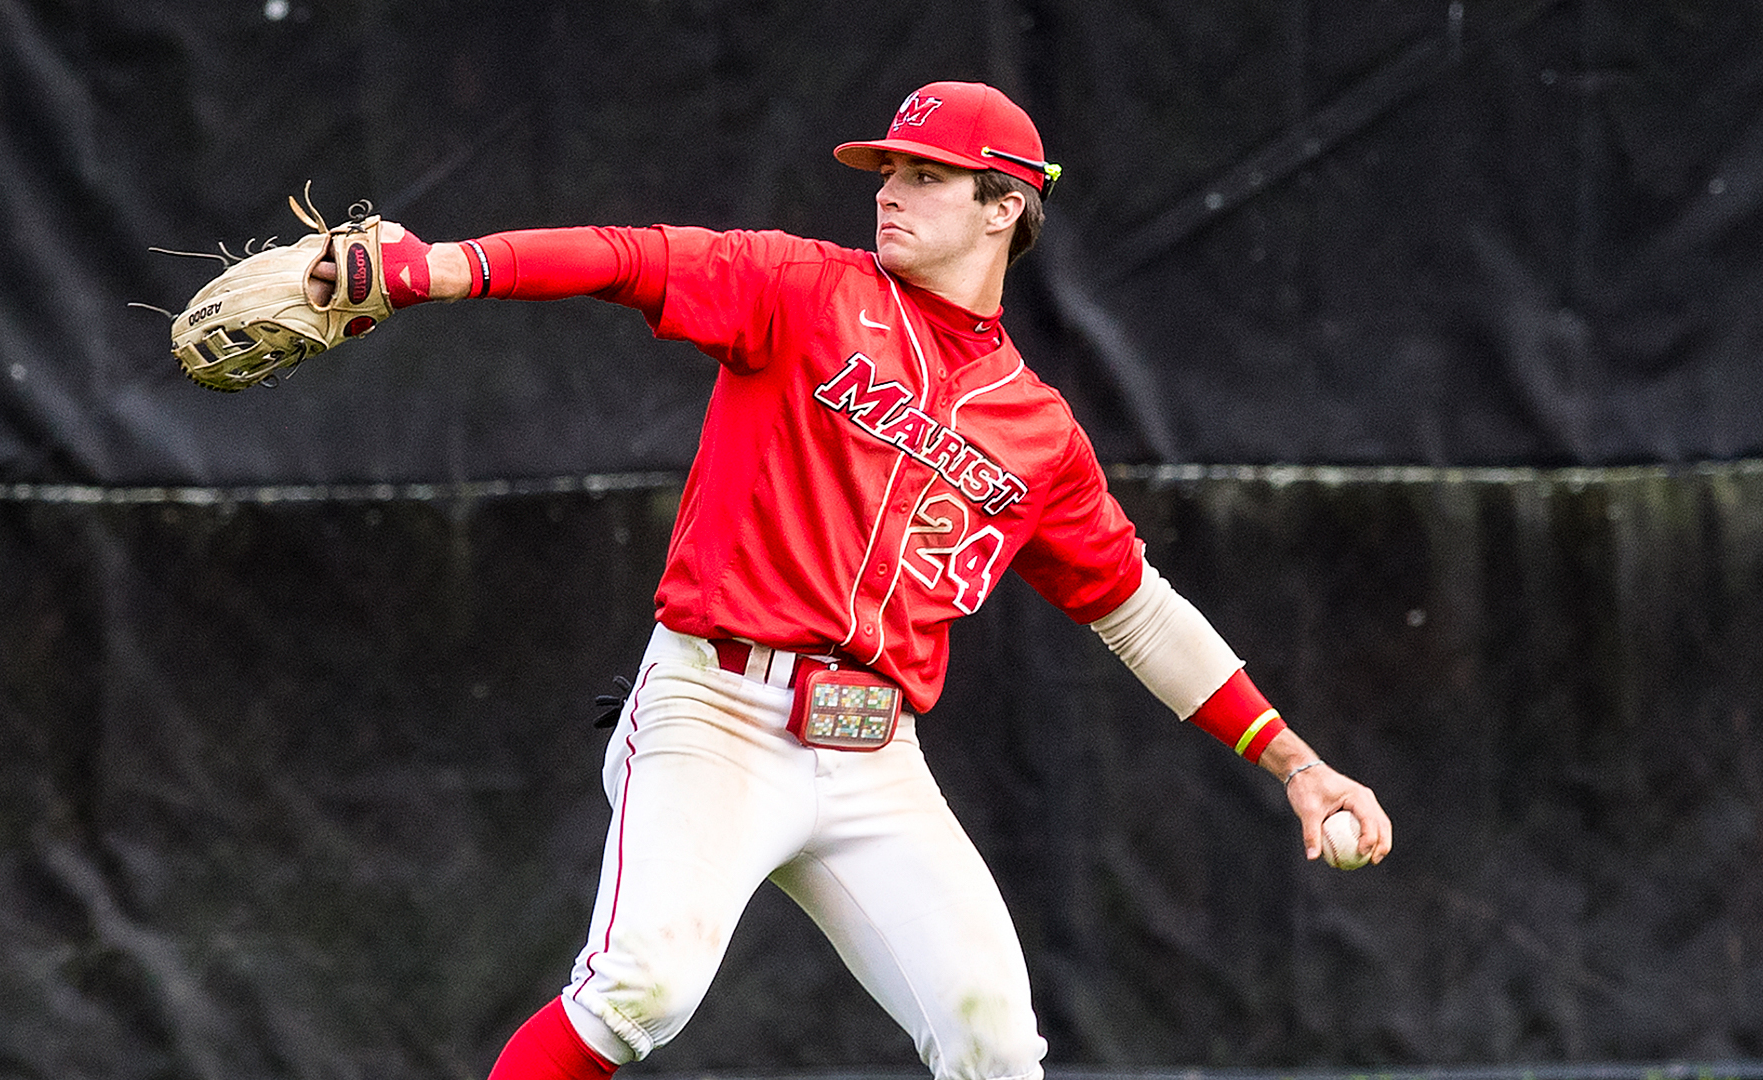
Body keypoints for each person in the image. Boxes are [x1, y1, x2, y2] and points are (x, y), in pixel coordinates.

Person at [339, 80, 1393, 1080]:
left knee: (994, 1044)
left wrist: (1294, 760)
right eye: (887, 168)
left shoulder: (1039, 434)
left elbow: (1136, 609)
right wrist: (441, 266)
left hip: (874, 755)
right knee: (641, 988)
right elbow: (634, 257)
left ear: (1005, 207)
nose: (889, 188)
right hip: (717, 711)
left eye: (927, 173)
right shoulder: (804, 290)